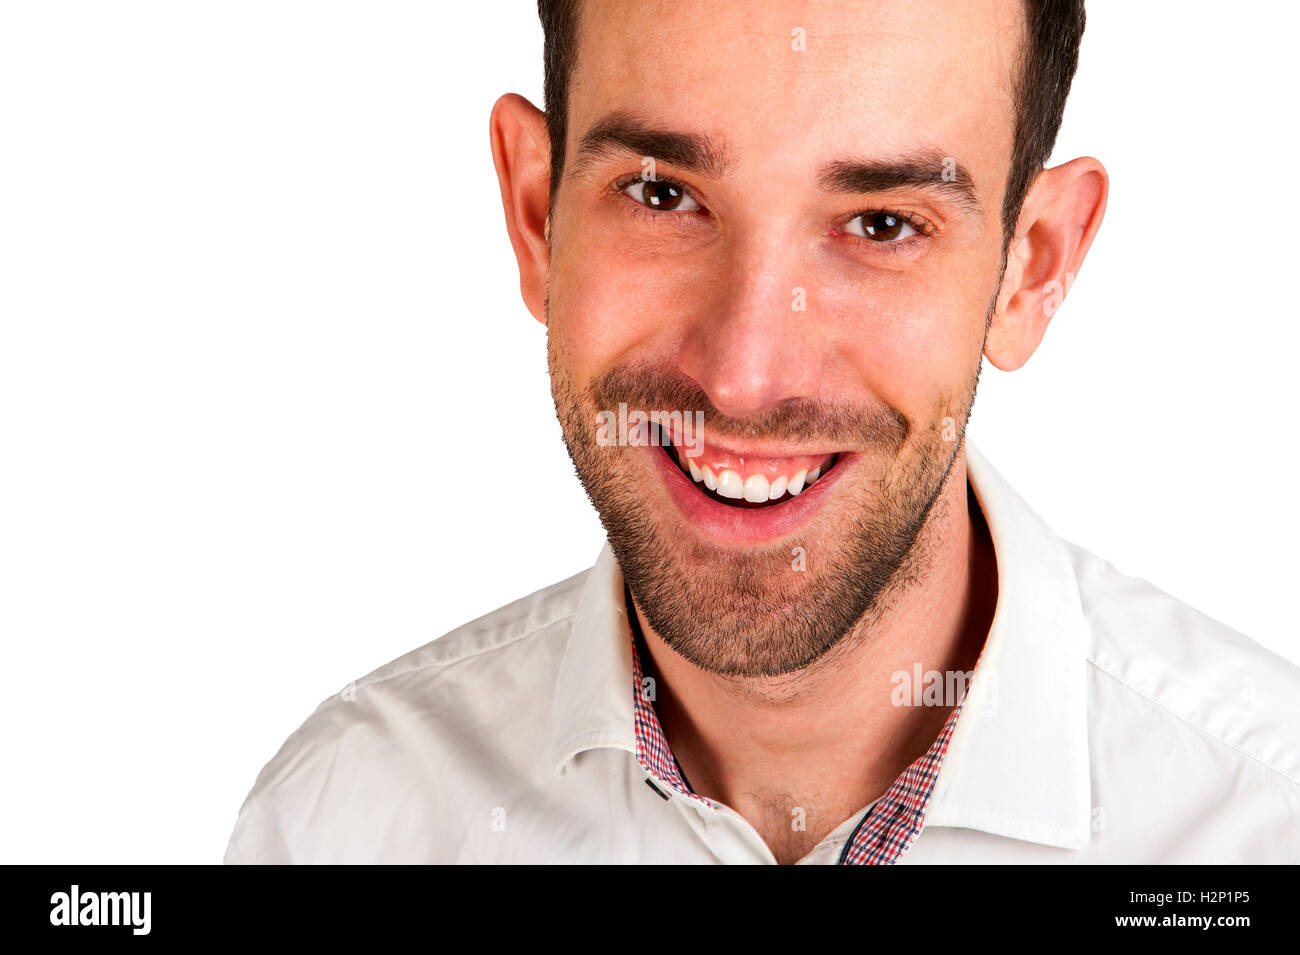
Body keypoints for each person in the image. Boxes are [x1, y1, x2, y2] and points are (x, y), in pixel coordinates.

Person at [224, 0, 1300, 864]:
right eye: (660, 193)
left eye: (881, 223)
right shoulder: (341, 826)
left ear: (1034, 266)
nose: (744, 373)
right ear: (536, 211)